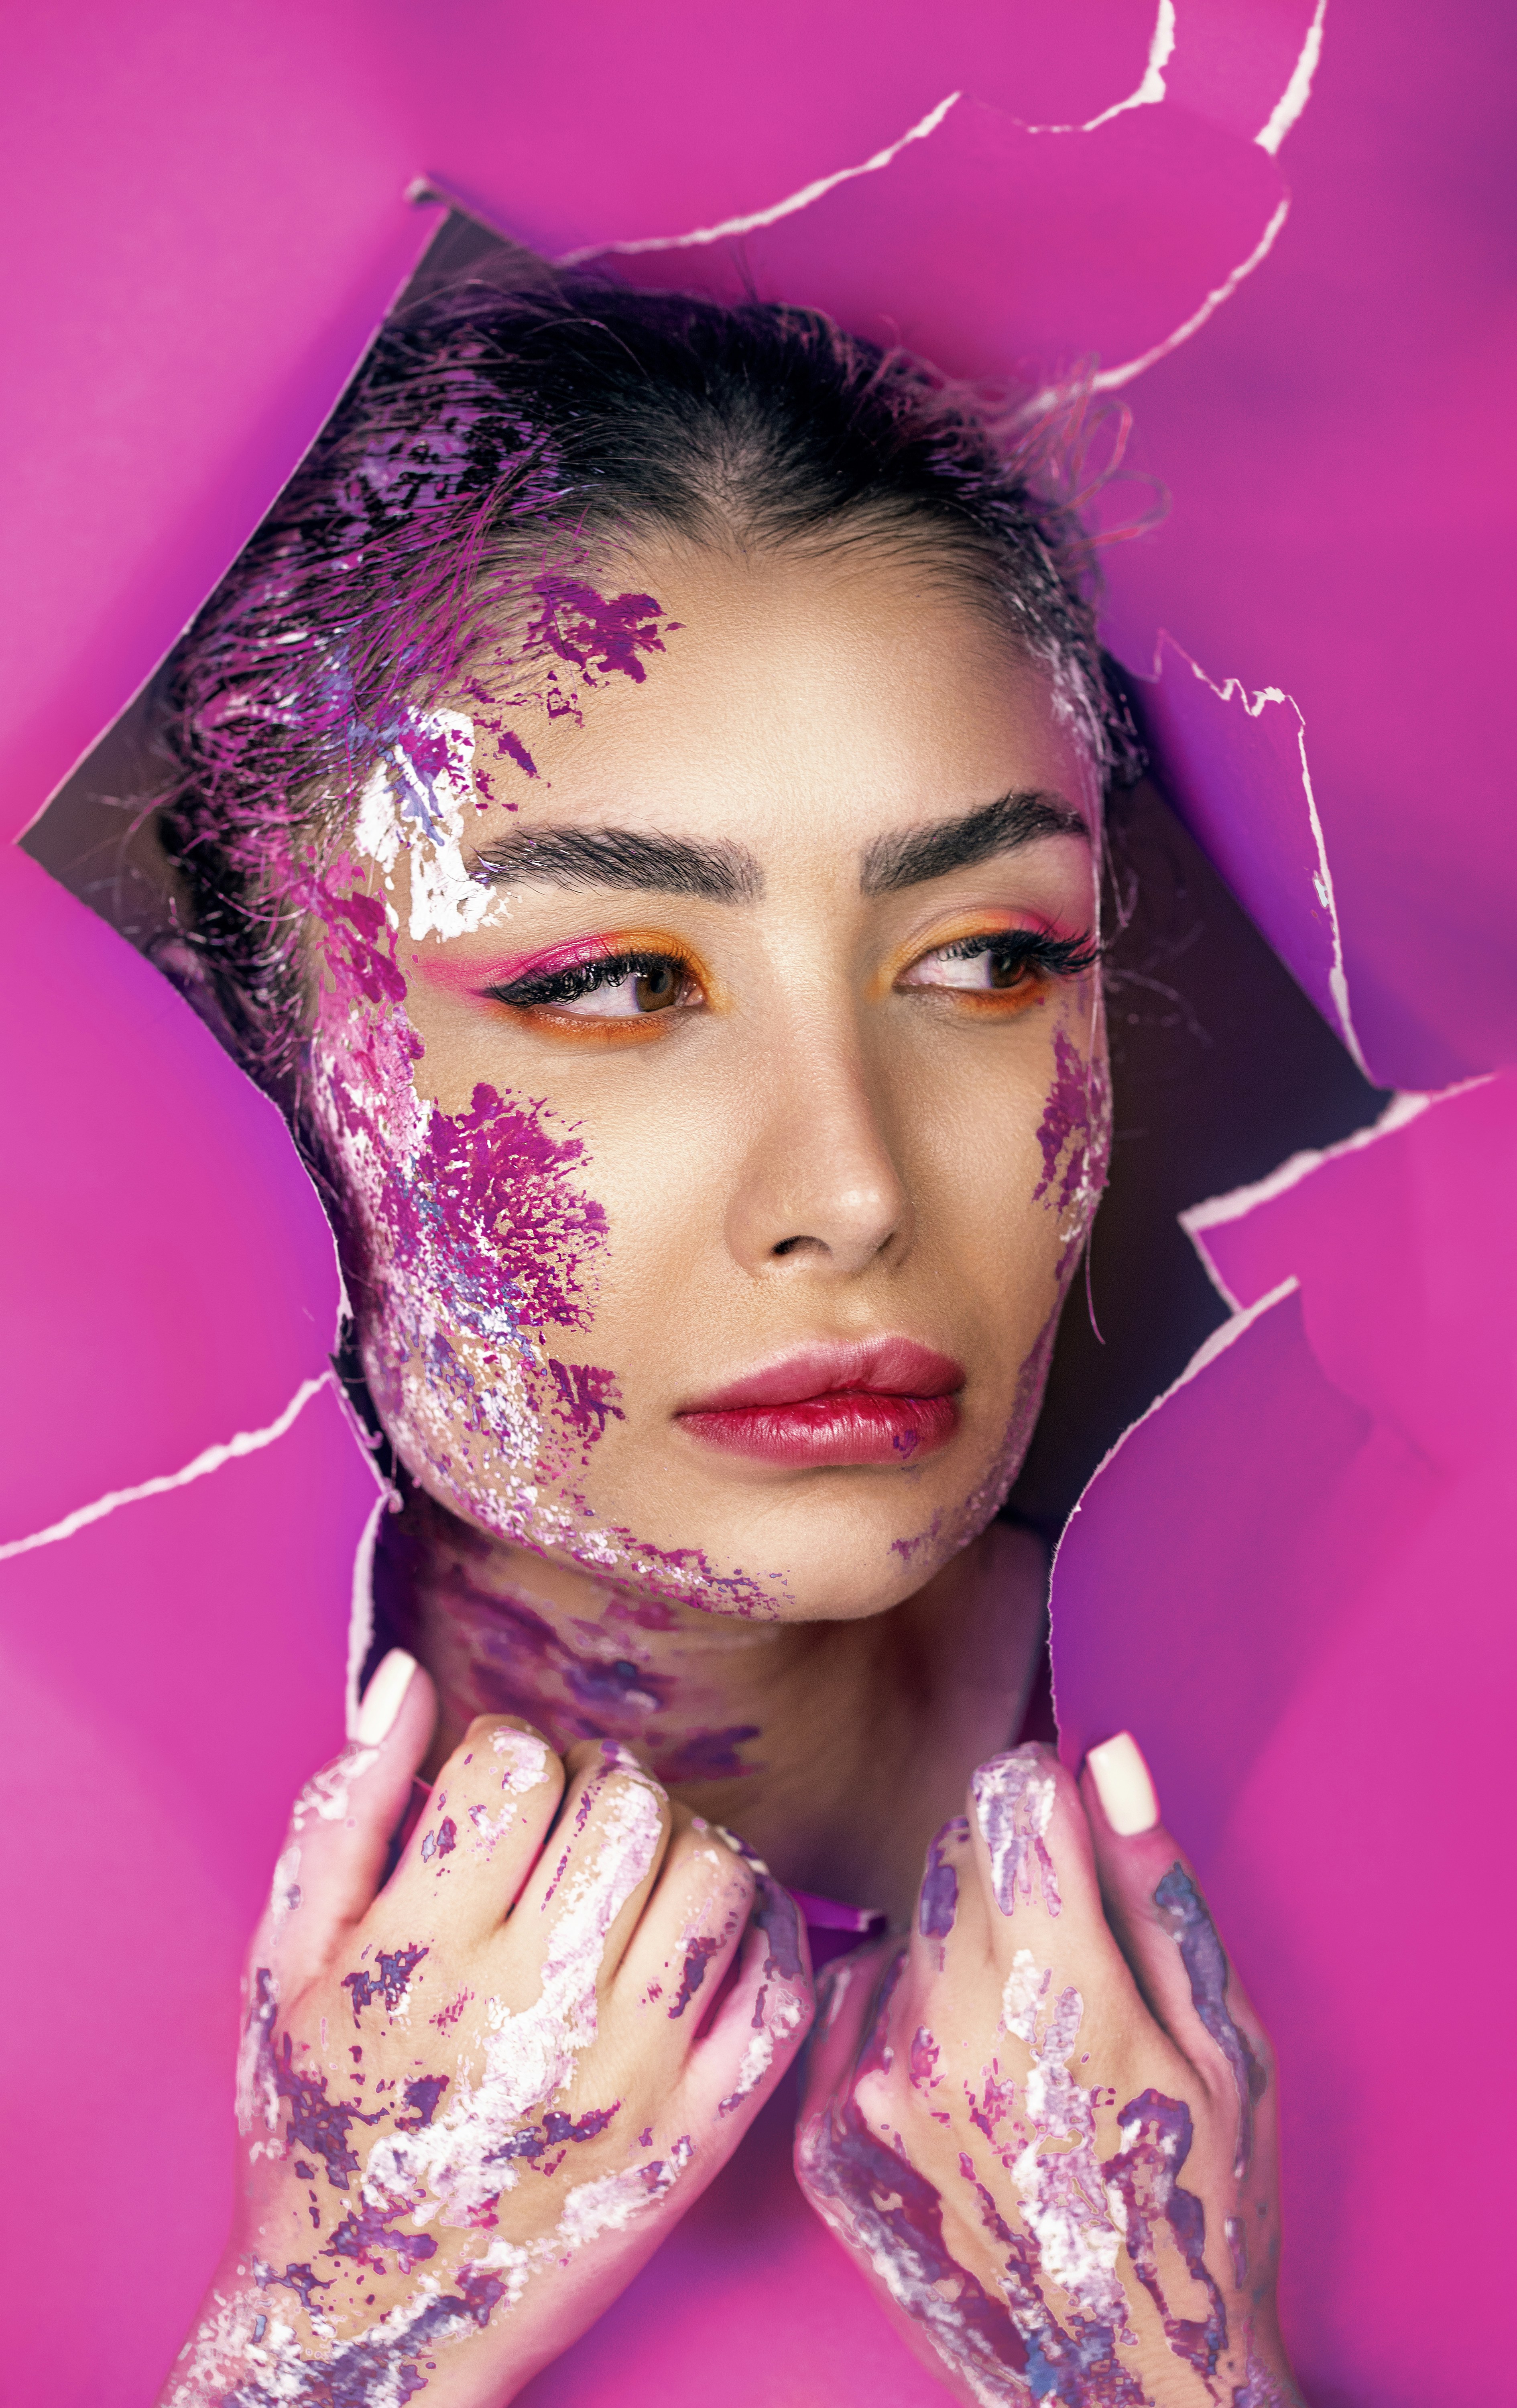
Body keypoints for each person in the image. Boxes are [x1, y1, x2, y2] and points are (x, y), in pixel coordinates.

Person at [146, 258, 1303, 2406]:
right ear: (253, 1049)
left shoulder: (1397, 1745)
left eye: (978, 959)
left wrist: (1162, 2372)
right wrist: (342, 2344)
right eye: (611, 982)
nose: (852, 1189)